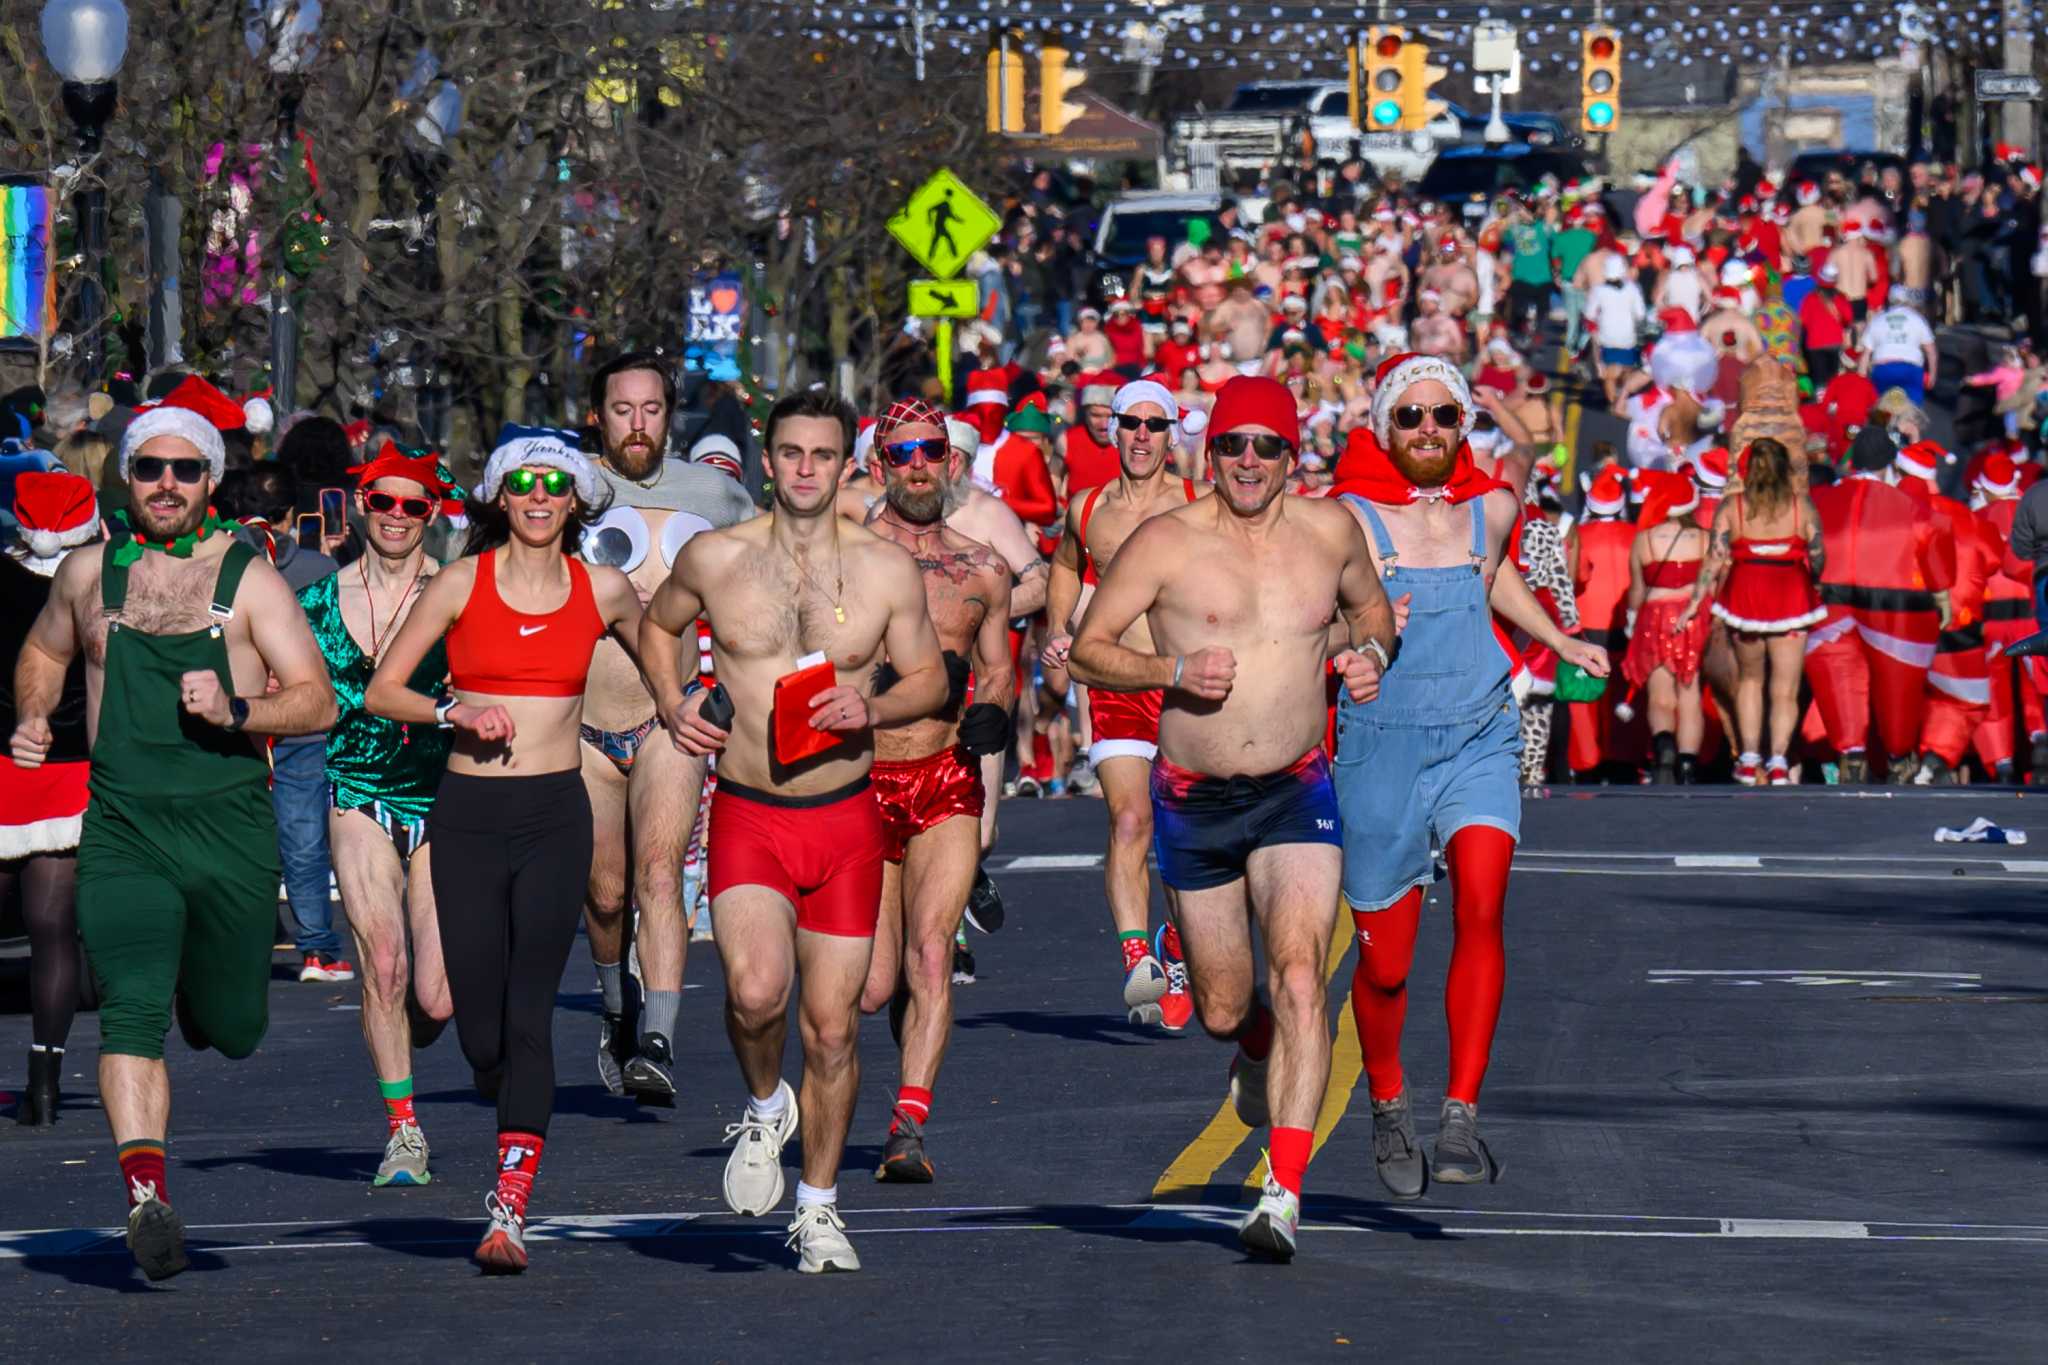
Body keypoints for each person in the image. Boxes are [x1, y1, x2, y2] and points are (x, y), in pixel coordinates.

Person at [1070, 375, 1397, 1261]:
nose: (1249, 462)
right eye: (1232, 445)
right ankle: (1246, 1041)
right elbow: (1091, 649)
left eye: (1267, 446)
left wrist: (1368, 654)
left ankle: (1282, 1191)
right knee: (1222, 1005)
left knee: (1301, 977)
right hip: (1195, 796)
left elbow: (1373, 614)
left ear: (1294, 454)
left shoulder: (1331, 531)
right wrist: (1167, 672)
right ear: (1208, 451)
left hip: (1297, 787)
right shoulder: (1165, 541)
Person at [10, 403, 338, 1280]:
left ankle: (210, 991)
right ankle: (146, 1194)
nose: (165, 485)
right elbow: (43, 651)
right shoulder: (89, 574)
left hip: (229, 831)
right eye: (149, 468)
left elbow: (317, 698)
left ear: (210, 481)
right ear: (127, 476)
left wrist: (238, 708)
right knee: (129, 1008)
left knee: (232, 1025)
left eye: (185, 471)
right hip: (123, 828)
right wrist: (35, 715)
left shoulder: (252, 580)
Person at [639, 391, 947, 1275]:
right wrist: (673, 699)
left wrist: (874, 702)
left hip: (845, 818)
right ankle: (767, 1101)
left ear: (848, 464)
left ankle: (817, 1208)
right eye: (791, 452)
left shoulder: (887, 569)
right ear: (766, 460)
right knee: (755, 993)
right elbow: (655, 629)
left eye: (823, 454)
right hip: (749, 809)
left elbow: (929, 679)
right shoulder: (715, 556)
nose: (807, 468)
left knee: (835, 1028)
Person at [1329, 354, 1609, 1203]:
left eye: (1443, 416)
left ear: (1463, 425)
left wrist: (1560, 641)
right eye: (1409, 417)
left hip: (1477, 735)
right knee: (1385, 965)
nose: (1426, 432)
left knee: (1483, 903)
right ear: (1383, 426)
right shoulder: (1344, 517)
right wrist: (1352, 638)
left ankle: (1459, 1112)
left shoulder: (1492, 507)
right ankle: (1387, 1102)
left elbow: (1494, 580)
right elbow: (1308, 614)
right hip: (1379, 746)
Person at [366, 425, 645, 1273]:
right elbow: (385, 688)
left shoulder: (604, 587)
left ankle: (509, 1206)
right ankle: (497, 1078)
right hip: (469, 815)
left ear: (575, 501)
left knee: (530, 1014)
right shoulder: (459, 581)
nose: (536, 497)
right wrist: (452, 711)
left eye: (553, 486)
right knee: (478, 1024)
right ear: (498, 494)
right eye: (521, 482)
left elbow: (662, 652)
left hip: (556, 812)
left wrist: (687, 701)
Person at [576, 352, 756, 1105]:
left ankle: (657, 1038)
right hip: (581, 725)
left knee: (660, 870)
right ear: (598, 416)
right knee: (607, 893)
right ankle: (618, 1008)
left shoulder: (713, 493)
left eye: (652, 409)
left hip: (669, 716)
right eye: (623, 409)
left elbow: (774, 571)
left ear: (670, 414)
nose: (639, 424)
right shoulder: (565, 486)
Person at [856, 406, 1014, 1181]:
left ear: (951, 463)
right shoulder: (848, 555)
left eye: (931, 451)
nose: (918, 464)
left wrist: (994, 712)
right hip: (859, 779)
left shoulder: (983, 567)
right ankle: (899, 1024)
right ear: (880, 464)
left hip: (943, 777)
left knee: (930, 954)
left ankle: (908, 1124)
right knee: (876, 980)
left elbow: (1001, 667)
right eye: (902, 453)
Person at [300, 445, 459, 1187]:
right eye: (384, 501)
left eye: (414, 504)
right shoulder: (315, 601)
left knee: (435, 992)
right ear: (362, 503)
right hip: (356, 789)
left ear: (432, 512)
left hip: (443, 794)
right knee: (384, 963)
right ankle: (403, 1130)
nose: (397, 516)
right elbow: (279, 678)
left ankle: (419, 1021)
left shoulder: (457, 594)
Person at [1042, 379, 1206, 1030]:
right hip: (1111, 680)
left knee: (1180, 833)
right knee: (1131, 820)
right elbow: (1064, 563)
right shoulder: (1087, 507)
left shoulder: (1199, 504)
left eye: (1154, 425)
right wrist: (1059, 627)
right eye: (1130, 423)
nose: (1141, 436)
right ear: (1112, 429)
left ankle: (1179, 949)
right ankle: (1139, 955)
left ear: (1171, 435)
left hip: (1183, 685)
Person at [216, 462, 349, 983]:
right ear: (293, 513)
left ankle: (233, 943)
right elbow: (334, 650)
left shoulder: (211, 565)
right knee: (303, 835)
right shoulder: (318, 569)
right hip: (302, 718)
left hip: (230, 713)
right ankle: (316, 947)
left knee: (229, 834)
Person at [2, 472, 101, 1125]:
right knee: (54, 933)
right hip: (72, 772)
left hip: (3, 765)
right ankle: (45, 1079)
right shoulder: (102, 584)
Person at [1807, 427, 1956, 782]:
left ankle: (1851, 752)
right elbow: (1933, 537)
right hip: (1894, 606)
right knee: (1898, 686)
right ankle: (1898, 755)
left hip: (1830, 601)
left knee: (1839, 677)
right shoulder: (1911, 508)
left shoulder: (1819, 500)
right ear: (1891, 467)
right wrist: (1941, 592)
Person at [1679, 439, 1824, 785]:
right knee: (1786, 688)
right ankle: (1777, 760)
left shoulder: (1733, 507)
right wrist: (1813, 582)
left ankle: (1747, 757)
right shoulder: (1801, 507)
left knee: (1750, 679)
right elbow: (1818, 555)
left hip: (1745, 595)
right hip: (1790, 594)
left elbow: (1714, 560)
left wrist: (1694, 604)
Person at [1624, 472, 1712, 783]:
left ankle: (1663, 746)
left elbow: (1636, 590)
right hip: (1692, 618)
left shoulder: (1644, 539)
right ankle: (1688, 764)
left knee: (1660, 697)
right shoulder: (1705, 538)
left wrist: (1630, 621)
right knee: (1689, 693)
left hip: (1653, 617)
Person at [1565, 467, 1635, 780]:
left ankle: (1589, 761)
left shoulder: (1580, 535)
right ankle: (1621, 759)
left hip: (1588, 621)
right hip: (1624, 623)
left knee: (1586, 696)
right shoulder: (1635, 534)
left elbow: (1576, 576)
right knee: (1621, 691)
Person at [1586, 257, 1647, 409]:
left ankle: (1613, 402)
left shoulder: (1598, 290)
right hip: (1628, 337)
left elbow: (1589, 314)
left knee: (1609, 374)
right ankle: (1624, 399)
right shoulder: (1632, 288)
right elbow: (1640, 314)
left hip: (1607, 337)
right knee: (1627, 369)